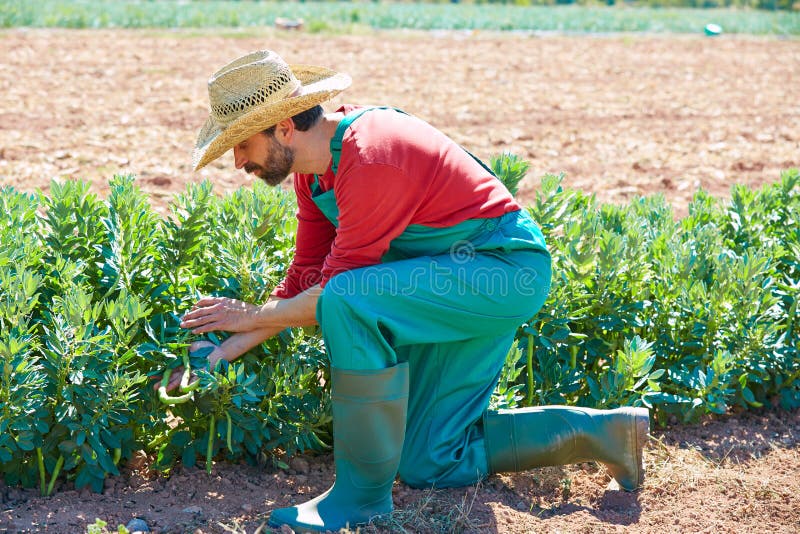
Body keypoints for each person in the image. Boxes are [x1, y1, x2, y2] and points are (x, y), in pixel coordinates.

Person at [177, 50, 649, 532]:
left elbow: (330, 297)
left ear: (282, 127)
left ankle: (358, 501)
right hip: (444, 283)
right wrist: (219, 353)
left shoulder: (373, 151)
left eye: (241, 143)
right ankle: (607, 433)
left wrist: (250, 316)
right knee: (429, 461)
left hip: (499, 272)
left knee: (346, 299)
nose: (237, 161)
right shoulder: (314, 175)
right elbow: (303, 281)